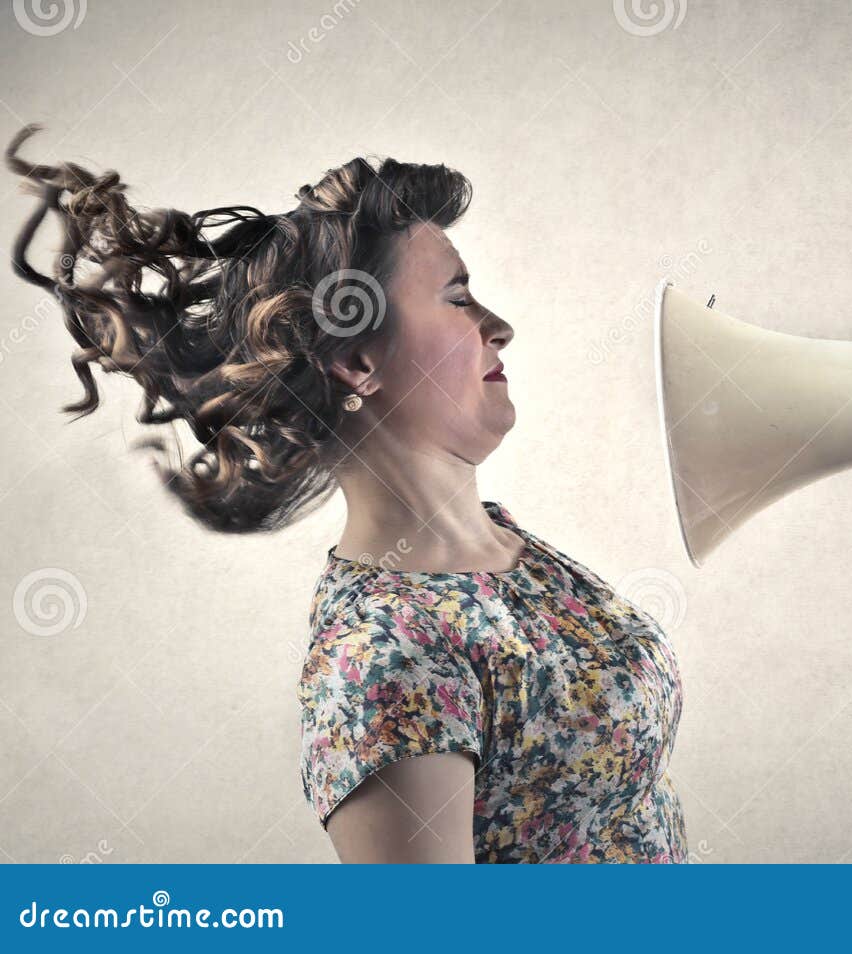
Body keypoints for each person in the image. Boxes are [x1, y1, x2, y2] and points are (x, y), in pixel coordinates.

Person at [7, 124, 685, 863]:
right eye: (458, 297)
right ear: (359, 357)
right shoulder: (386, 658)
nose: (501, 327)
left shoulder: (508, 550)